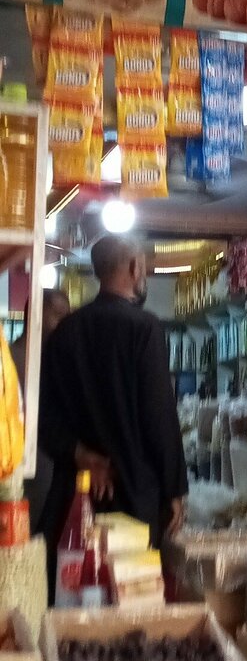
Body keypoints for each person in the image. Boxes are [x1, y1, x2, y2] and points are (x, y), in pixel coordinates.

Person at [39, 234, 188, 579]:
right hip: (133, 494)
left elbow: (44, 418)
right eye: (144, 267)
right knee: (128, 597)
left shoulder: (64, 333)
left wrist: (80, 455)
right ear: (135, 268)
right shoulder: (144, 327)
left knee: (75, 589)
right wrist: (174, 488)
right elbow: (159, 415)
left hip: (75, 494)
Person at [10, 289, 70, 534]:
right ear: (33, 314)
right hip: (15, 471)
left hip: (47, 471)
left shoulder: (54, 364)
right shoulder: (10, 360)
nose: (64, 324)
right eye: (58, 315)